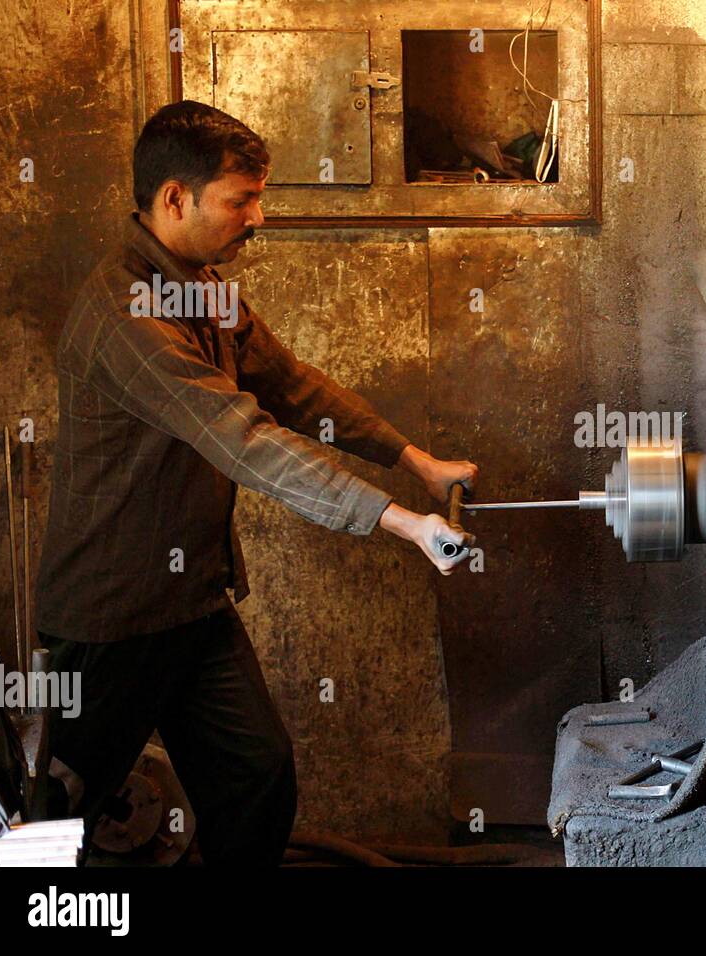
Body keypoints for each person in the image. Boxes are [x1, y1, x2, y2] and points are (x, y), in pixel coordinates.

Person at [32, 100, 476, 864]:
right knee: (54, 815)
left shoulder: (197, 285)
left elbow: (293, 388)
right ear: (176, 199)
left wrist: (412, 459)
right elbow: (244, 438)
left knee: (255, 776)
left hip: (190, 602)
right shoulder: (125, 316)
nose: (259, 218)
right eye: (242, 199)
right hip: (109, 618)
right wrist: (400, 521)